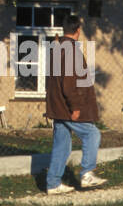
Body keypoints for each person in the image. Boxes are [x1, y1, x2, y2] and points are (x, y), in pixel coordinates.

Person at [44, 13, 106, 194]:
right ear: (78, 30)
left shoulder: (56, 49)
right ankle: (87, 173)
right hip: (68, 107)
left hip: (57, 107)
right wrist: (76, 107)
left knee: (62, 145)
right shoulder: (71, 51)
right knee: (92, 134)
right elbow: (70, 83)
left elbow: (52, 81)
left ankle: (53, 183)